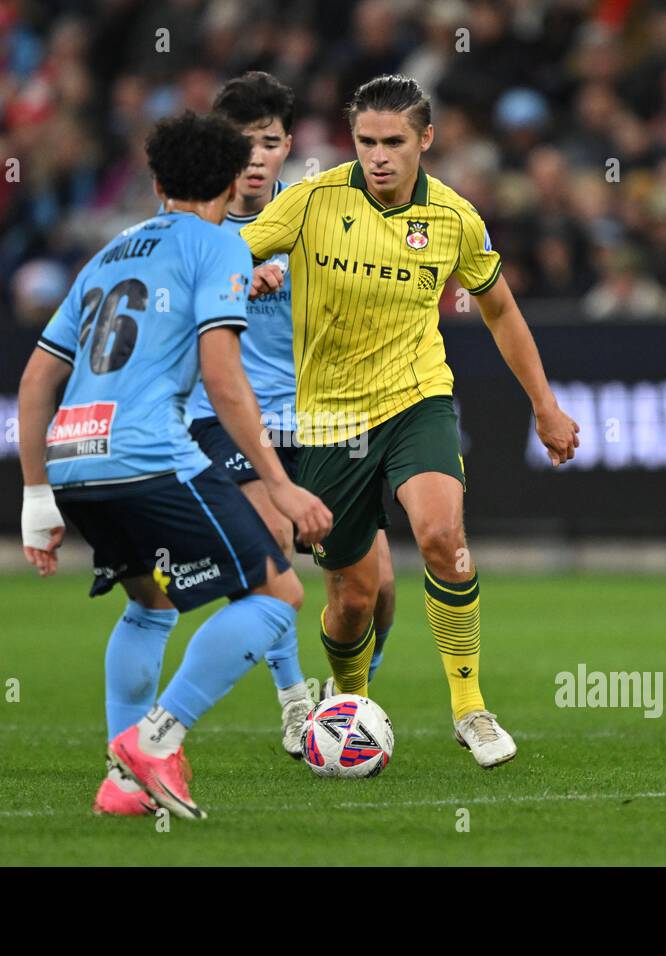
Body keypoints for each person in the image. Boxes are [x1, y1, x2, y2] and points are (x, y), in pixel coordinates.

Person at [245, 75, 579, 768]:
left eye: (393, 141)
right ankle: (351, 706)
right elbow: (225, 250)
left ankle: (470, 708)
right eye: (365, 141)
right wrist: (245, 274)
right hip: (331, 419)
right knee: (353, 599)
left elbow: (501, 310)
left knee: (441, 535)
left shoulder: (456, 218)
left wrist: (544, 406)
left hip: (417, 399)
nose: (378, 156)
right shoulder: (311, 201)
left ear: (426, 139)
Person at [17, 112, 331, 819]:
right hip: (147, 453)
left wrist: (37, 497)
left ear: (157, 181)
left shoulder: (110, 252)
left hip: (73, 458)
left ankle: (123, 783)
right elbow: (223, 377)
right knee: (277, 597)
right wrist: (278, 485)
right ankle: (156, 741)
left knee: (149, 603)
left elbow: (39, 377)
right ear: (228, 180)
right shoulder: (219, 247)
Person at [184, 71, 399, 758]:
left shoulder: (315, 216)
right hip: (230, 416)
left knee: (376, 590)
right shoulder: (193, 226)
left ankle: (354, 699)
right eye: (244, 143)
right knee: (275, 547)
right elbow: (169, 314)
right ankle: (294, 701)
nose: (257, 157)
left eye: (271, 142)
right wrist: (239, 283)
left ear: (287, 148)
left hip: (323, 415)